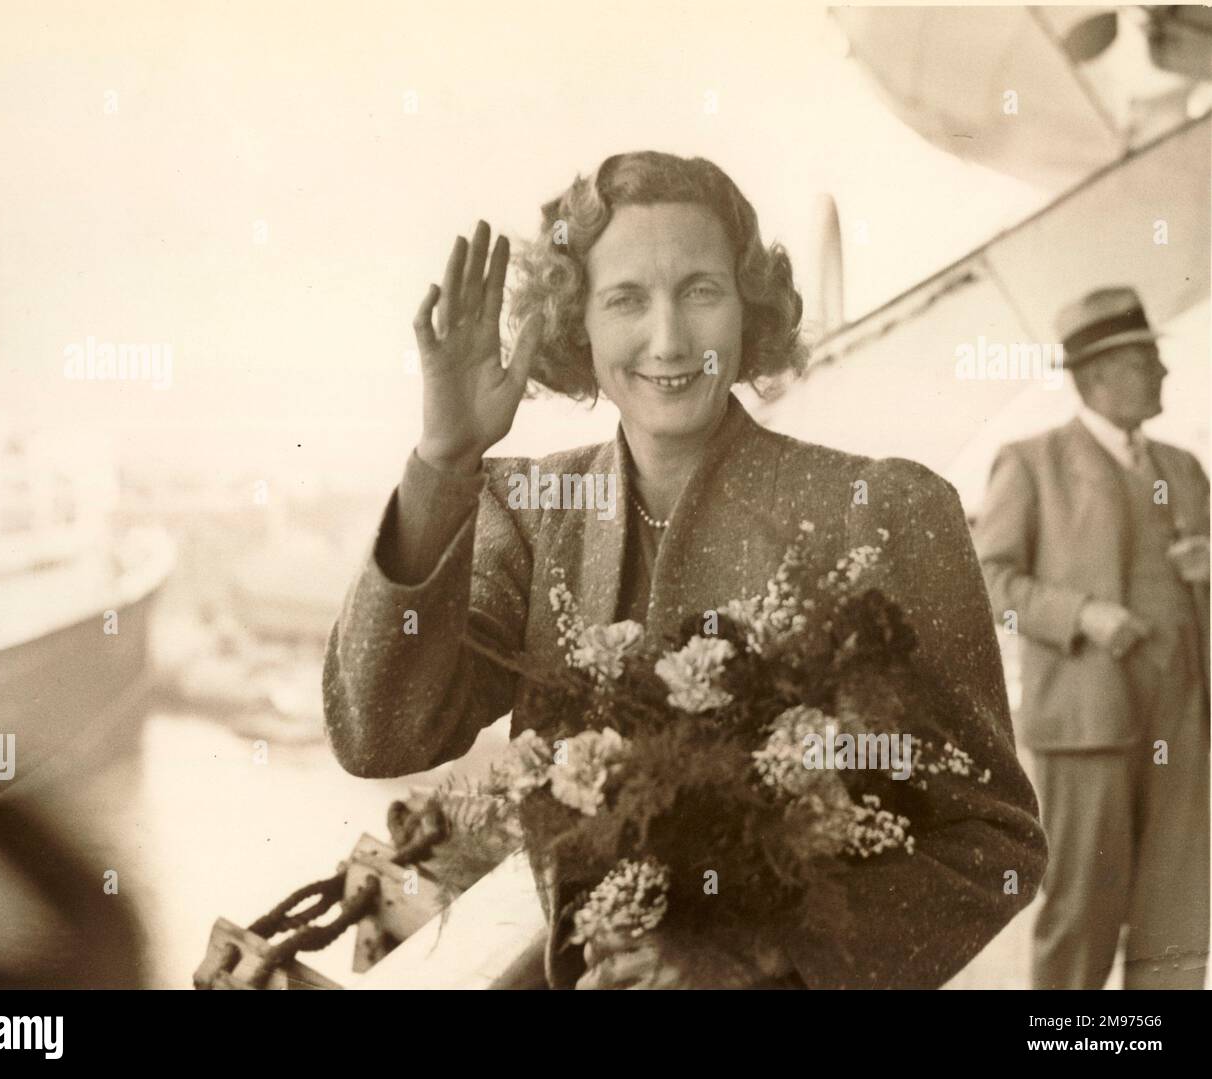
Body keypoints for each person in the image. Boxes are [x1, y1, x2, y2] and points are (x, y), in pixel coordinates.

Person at [323, 150, 1046, 988]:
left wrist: (761, 958)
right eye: (626, 298)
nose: (669, 340)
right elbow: (380, 732)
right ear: (575, 324)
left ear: (748, 309)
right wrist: (444, 457)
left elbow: (995, 842)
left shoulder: (883, 508)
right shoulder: (525, 509)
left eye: (701, 290)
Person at [973, 285, 1210, 989]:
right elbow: (992, 582)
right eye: (1148, 361)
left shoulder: (1185, 469)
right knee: (1083, 911)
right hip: (1087, 728)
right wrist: (1081, 614)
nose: (1163, 373)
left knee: (1178, 918)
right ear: (1098, 375)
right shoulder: (1031, 461)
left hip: (1185, 720)